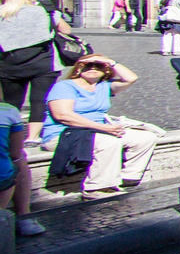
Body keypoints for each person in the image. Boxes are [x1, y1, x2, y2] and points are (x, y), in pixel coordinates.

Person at [43, 54, 156, 199]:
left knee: (145, 138)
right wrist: (101, 128)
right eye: (88, 65)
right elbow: (63, 115)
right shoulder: (64, 86)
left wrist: (110, 61)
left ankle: (127, 177)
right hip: (65, 134)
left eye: (98, 66)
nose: (93, 68)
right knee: (109, 142)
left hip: (96, 131)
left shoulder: (104, 86)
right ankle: (97, 187)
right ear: (78, 68)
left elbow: (131, 78)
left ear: (106, 70)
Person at [0, 0, 73, 148]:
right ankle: (32, 137)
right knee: (39, 100)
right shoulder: (44, 12)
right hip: (43, 62)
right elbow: (66, 30)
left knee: (11, 102)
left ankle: (9, 135)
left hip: (9, 64)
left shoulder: (3, 12)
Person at [0, 98, 36, 235]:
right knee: (17, 161)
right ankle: (24, 217)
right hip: (2, 178)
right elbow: (15, 153)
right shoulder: (8, 110)